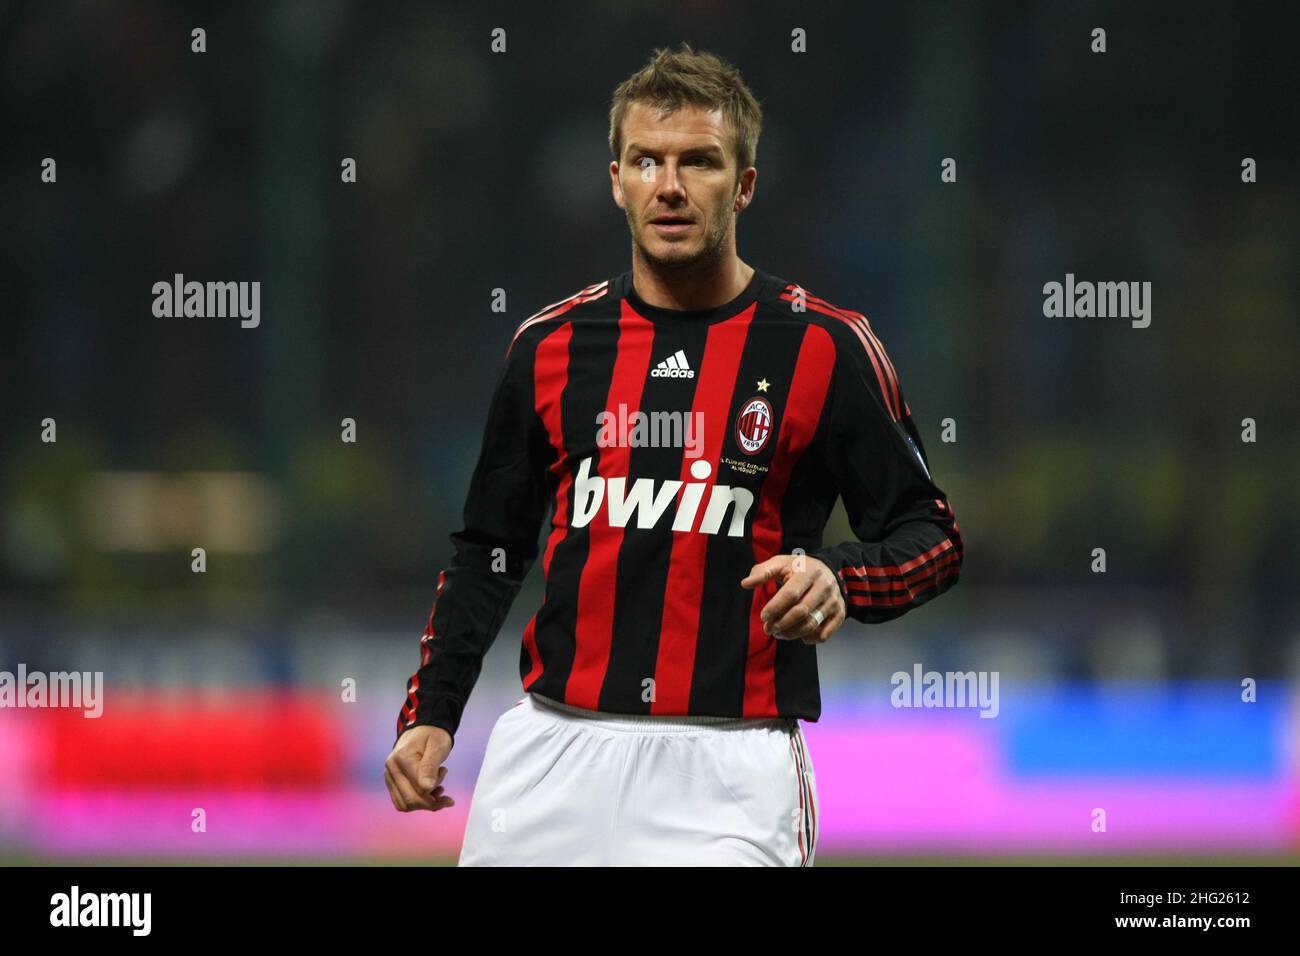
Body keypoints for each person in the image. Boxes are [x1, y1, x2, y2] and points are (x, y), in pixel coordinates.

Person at [384, 42, 963, 866]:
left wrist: (842, 577)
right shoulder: (548, 346)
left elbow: (932, 536)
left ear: (746, 184)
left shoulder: (827, 348)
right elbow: (489, 550)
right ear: (615, 179)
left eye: (700, 162)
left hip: (730, 770)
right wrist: (433, 713)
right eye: (646, 160)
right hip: (549, 757)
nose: (670, 185)